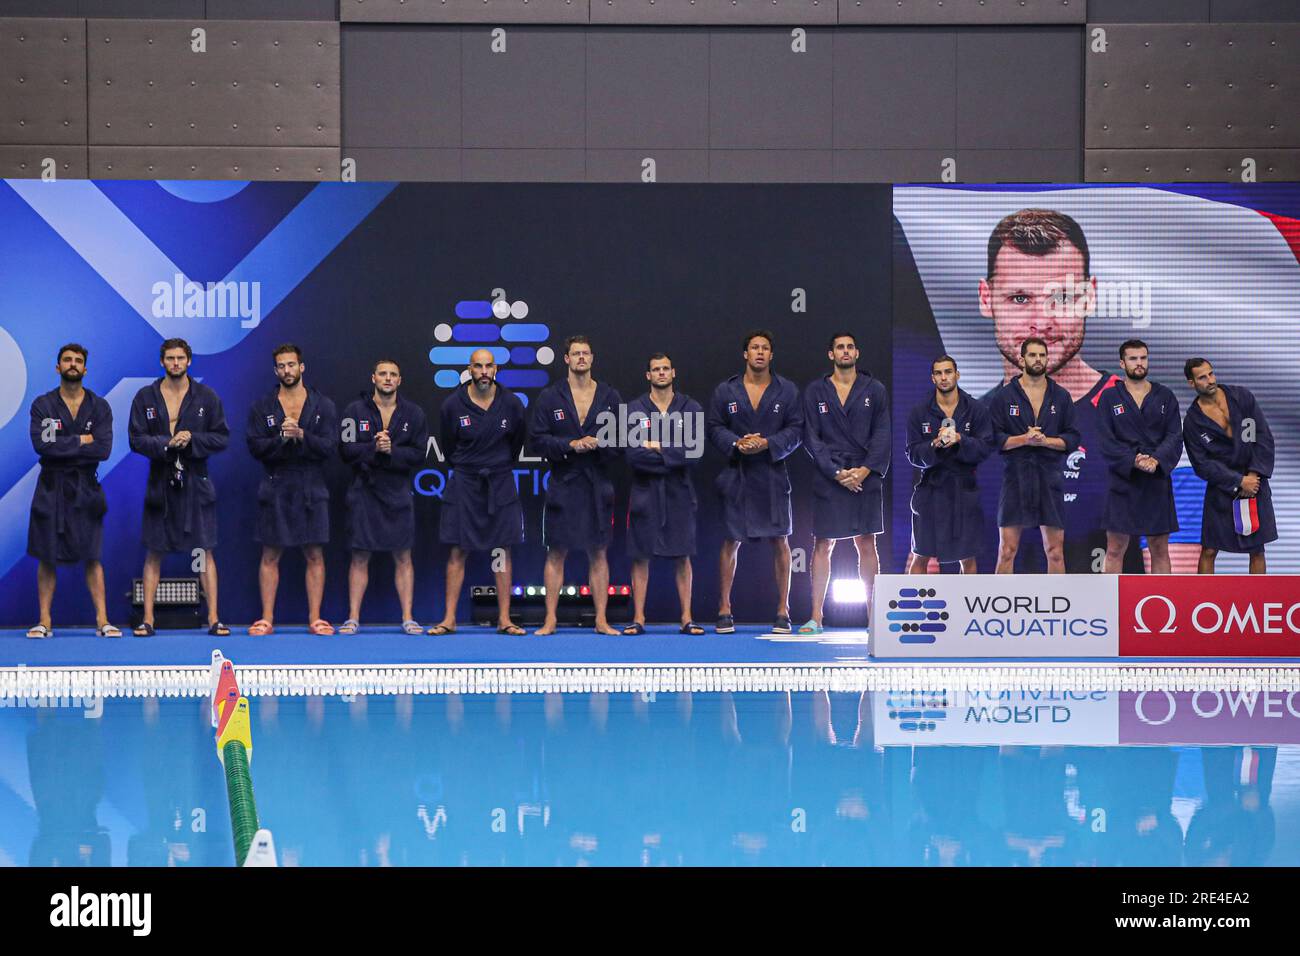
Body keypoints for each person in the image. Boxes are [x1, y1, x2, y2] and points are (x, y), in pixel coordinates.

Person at [977, 208, 1123, 572]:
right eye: (1020, 298)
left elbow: (1168, 557)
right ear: (986, 298)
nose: (1041, 322)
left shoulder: (1132, 405)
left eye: (1061, 297)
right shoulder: (973, 416)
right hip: (985, 620)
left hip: (1104, 624)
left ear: (1090, 295)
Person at [127, 338, 231, 636]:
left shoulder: (205, 397)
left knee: (203, 551)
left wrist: (193, 440)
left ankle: (213, 618)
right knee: (154, 551)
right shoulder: (146, 397)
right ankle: (148, 619)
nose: (175, 363)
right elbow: (135, 439)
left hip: (196, 482)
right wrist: (166, 443)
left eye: (180, 358)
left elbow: (222, 437)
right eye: (170, 358)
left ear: (189, 361)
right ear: (162, 362)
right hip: (161, 481)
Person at [706, 329, 803, 634]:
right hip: (738, 474)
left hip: (773, 474)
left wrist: (769, 444)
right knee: (730, 540)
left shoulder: (787, 391)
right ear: (745, 354)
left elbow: (797, 429)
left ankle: (783, 610)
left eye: (765, 348)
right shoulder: (726, 390)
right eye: (754, 348)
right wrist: (736, 443)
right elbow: (714, 427)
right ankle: (724, 608)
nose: (759, 352)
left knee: (781, 541)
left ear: (771, 355)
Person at [529, 336, 623, 635]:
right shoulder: (550, 396)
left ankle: (601, 620)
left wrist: (599, 442)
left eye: (585, 353)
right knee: (556, 551)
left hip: (597, 482)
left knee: (598, 552)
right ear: (566, 359)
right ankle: (550, 619)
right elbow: (538, 440)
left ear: (592, 358)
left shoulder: (609, 396)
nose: (581, 358)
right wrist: (570, 444)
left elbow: (622, 438)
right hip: (564, 481)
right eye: (575, 354)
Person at [429, 348, 527, 636]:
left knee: (501, 551)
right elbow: (448, 448)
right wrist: (470, 467)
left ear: (495, 369)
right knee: (458, 551)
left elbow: (516, 444)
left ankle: (505, 619)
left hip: (499, 482)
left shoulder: (511, 404)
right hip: (466, 483)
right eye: (477, 366)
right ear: (469, 370)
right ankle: (449, 618)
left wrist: (495, 465)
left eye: (488, 366)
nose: (484, 371)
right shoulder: (452, 405)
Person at [798, 333, 890, 634]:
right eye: (840, 347)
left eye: (850, 346)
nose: (846, 351)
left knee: (866, 542)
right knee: (822, 544)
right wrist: (836, 473)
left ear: (857, 353)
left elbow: (882, 434)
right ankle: (816, 616)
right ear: (831, 354)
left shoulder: (874, 389)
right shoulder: (815, 391)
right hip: (830, 475)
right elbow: (811, 437)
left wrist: (864, 471)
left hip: (865, 474)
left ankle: (873, 616)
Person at [244, 343, 338, 634]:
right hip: (276, 483)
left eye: (291, 365)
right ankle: (267, 618)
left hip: (311, 483)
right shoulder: (263, 405)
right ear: (276, 370)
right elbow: (255, 447)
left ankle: (315, 618)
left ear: (302, 367)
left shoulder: (323, 405)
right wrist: (281, 441)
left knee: (314, 554)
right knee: (270, 555)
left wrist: (302, 435)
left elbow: (330, 447)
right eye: (282, 366)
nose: (287, 370)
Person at [26, 344, 118, 638]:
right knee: (47, 555)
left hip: (86, 488)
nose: (73, 364)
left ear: (85, 369)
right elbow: (44, 447)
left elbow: (103, 449)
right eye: (67, 360)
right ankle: (44, 621)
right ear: (58, 367)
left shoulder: (99, 406)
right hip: (51, 488)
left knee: (93, 555)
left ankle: (103, 620)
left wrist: (68, 445)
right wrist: (82, 440)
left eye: (78, 361)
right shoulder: (43, 405)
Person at [338, 359, 429, 635]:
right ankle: (353, 617)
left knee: (403, 555)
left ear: (400, 380)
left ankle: (408, 617)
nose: (387, 379)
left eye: (393, 375)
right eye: (383, 374)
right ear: (373, 378)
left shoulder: (414, 414)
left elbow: (419, 454)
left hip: (398, 491)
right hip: (364, 490)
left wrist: (392, 452)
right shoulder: (354, 411)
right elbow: (344, 450)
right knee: (359, 555)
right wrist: (373, 447)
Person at [623, 353, 705, 636]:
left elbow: (694, 453)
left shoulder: (690, 407)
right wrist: (672, 453)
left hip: (679, 491)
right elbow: (634, 456)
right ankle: (638, 618)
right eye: (655, 369)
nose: (661, 373)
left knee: (682, 555)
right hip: (645, 491)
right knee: (641, 555)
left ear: (673, 373)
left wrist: (656, 446)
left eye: (665, 369)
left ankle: (686, 618)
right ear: (648, 375)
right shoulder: (634, 409)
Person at [989, 337, 1081, 574]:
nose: (1038, 360)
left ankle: (1058, 605)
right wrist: (1025, 439)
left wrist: (1045, 441)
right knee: (1007, 550)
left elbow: (1072, 438)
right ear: (1022, 359)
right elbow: (995, 439)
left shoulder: (1060, 396)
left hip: (1049, 478)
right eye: (1032, 355)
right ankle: (1000, 605)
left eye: (1042, 355)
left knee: (1055, 551)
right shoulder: (1004, 396)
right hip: (1016, 478)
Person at [1095, 340, 1183, 574]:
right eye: (1133, 359)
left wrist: (1156, 460)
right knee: (1115, 548)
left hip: (1156, 480)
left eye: (1143, 358)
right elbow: (1105, 440)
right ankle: (1109, 603)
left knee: (1159, 548)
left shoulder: (1165, 395)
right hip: (1123, 482)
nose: (1139, 363)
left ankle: (1162, 601)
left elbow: (1174, 435)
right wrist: (1132, 460)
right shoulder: (1109, 397)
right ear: (1122, 363)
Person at [1182, 358, 1276, 574]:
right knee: (1209, 550)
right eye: (1202, 377)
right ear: (1192, 383)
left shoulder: (1241, 398)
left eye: (1211, 374)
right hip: (1223, 487)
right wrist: (1238, 481)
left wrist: (1252, 476)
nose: (1210, 380)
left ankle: (1257, 600)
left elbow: (1261, 438)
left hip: (1254, 483)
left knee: (1257, 549)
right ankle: (1203, 598)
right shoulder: (1193, 421)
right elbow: (1202, 464)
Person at [904, 354, 995, 575]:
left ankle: (966, 608)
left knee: (967, 555)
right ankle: (916, 609)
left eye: (948, 372)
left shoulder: (976, 409)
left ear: (957, 375)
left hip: (963, 490)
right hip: (930, 490)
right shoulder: (919, 412)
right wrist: (934, 444)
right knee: (920, 553)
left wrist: (961, 439)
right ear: (932, 378)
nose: (944, 377)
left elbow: (985, 447)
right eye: (938, 373)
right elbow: (912, 453)